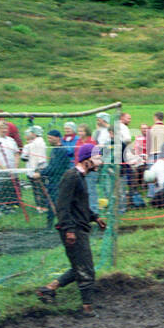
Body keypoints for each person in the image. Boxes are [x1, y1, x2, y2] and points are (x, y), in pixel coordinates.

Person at [36, 142, 106, 317]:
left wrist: (94, 217)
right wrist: (69, 230)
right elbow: (62, 206)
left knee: (79, 266)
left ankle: (48, 289)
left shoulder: (80, 178)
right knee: (87, 269)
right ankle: (87, 309)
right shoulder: (71, 176)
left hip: (79, 227)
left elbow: (79, 205)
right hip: (73, 230)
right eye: (97, 158)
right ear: (86, 160)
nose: (101, 162)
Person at [0, 121, 21, 215]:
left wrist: (15, 167)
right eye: (2, 128)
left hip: (11, 169)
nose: (4, 130)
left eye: (6, 128)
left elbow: (16, 153)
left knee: (9, 188)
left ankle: (8, 206)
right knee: (0, 189)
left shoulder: (11, 140)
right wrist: (2, 167)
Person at [41, 130, 72, 226]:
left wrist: (41, 173)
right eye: (48, 138)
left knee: (59, 203)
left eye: (51, 138)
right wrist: (41, 171)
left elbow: (56, 168)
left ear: (58, 138)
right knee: (51, 203)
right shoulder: (54, 150)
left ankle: (65, 224)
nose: (49, 140)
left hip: (60, 181)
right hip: (52, 181)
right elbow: (51, 165)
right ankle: (49, 225)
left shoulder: (61, 151)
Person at [22, 125, 50, 213]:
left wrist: (35, 171)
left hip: (37, 169)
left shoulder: (36, 143)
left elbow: (37, 159)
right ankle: (40, 205)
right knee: (38, 188)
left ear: (34, 133)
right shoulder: (37, 142)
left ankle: (43, 206)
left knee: (39, 189)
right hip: (37, 168)